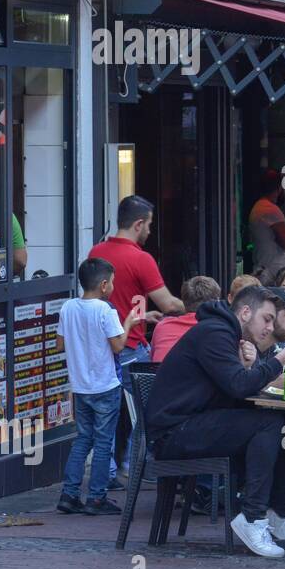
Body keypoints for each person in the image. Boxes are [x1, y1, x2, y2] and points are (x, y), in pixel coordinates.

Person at [145, 286, 285, 557]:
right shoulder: (215, 333)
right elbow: (237, 385)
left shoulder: (225, 334)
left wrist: (252, 368)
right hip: (174, 432)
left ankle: (278, 510)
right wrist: (279, 361)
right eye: (266, 319)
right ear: (245, 312)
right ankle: (253, 516)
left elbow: (234, 386)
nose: (269, 327)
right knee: (268, 424)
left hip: (196, 422)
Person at [88, 195, 184, 482]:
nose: (150, 232)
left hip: (103, 348)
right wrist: (195, 304)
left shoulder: (96, 251)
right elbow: (169, 304)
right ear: (138, 224)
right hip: (130, 350)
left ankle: (108, 472)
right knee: (148, 410)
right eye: (149, 225)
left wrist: (143, 316)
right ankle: (134, 467)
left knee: (108, 415)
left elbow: (115, 300)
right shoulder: (142, 259)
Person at [55, 258, 142, 515]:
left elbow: (60, 345)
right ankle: (96, 497)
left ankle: (69, 494)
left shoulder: (68, 307)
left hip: (80, 387)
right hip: (105, 386)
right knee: (104, 443)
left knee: (83, 439)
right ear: (104, 285)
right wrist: (128, 325)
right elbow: (118, 346)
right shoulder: (106, 311)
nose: (113, 287)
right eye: (113, 282)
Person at [150, 276, 222, 364]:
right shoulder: (218, 330)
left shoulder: (162, 326)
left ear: (184, 301)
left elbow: (153, 359)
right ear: (217, 302)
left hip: (160, 376)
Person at [248, 169, 285, 284]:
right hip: (273, 273)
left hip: (264, 270)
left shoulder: (259, 207)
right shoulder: (270, 209)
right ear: (279, 188)